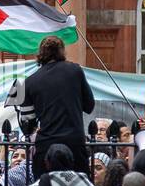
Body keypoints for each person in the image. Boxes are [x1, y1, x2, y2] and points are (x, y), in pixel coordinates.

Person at [20, 35, 95, 177]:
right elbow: (89, 106)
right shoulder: (75, 71)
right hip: (74, 143)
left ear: (40, 54)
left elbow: (27, 123)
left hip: (46, 146)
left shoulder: (30, 82)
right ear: (62, 52)